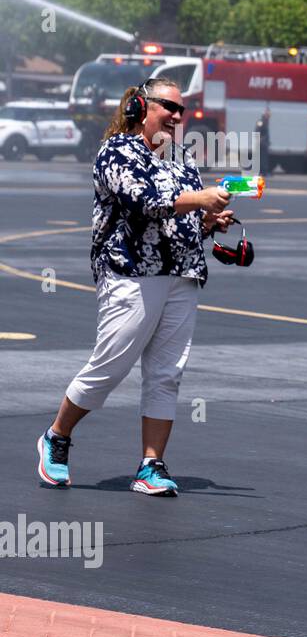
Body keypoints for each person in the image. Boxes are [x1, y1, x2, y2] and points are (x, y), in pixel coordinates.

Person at [36, 77, 235, 496]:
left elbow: (179, 220)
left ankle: (151, 465)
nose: (178, 117)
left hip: (180, 274)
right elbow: (144, 202)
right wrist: (200, 200)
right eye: (169, 107)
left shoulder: (181, 159)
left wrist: (207, 222)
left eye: (183, 110)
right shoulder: (117, 152)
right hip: (130, 273)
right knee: (110, 366)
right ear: (142, 106)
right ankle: (56, 437)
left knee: (167, 375)